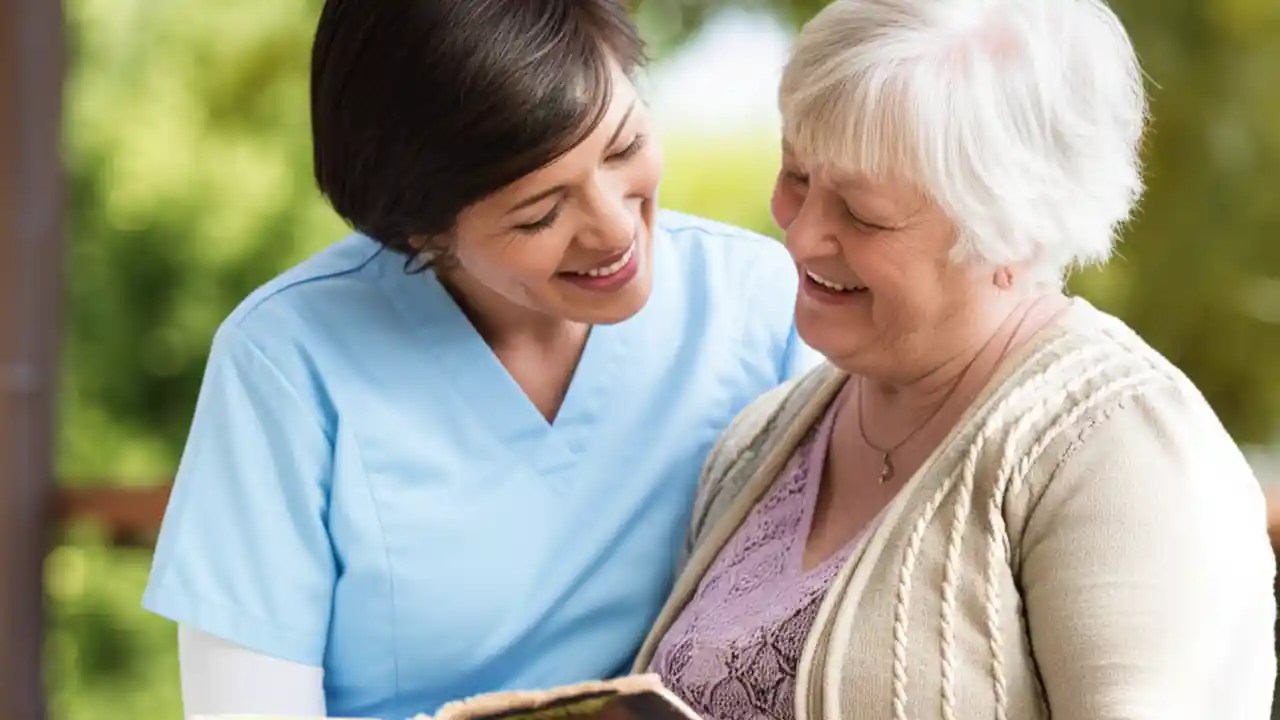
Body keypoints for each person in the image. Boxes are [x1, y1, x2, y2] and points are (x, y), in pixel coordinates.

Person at [141, 2, 815, 718]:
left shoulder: (757, 305)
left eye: (623, 148)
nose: (615, 228)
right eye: (540, 213)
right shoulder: (287, 364)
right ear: (418, 230)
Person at [635, 1, 1277, 718]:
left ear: (1012, 235)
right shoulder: (761, 440)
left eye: (863, 214)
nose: (804, 235)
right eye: (795, 176)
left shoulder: (1119, 449)